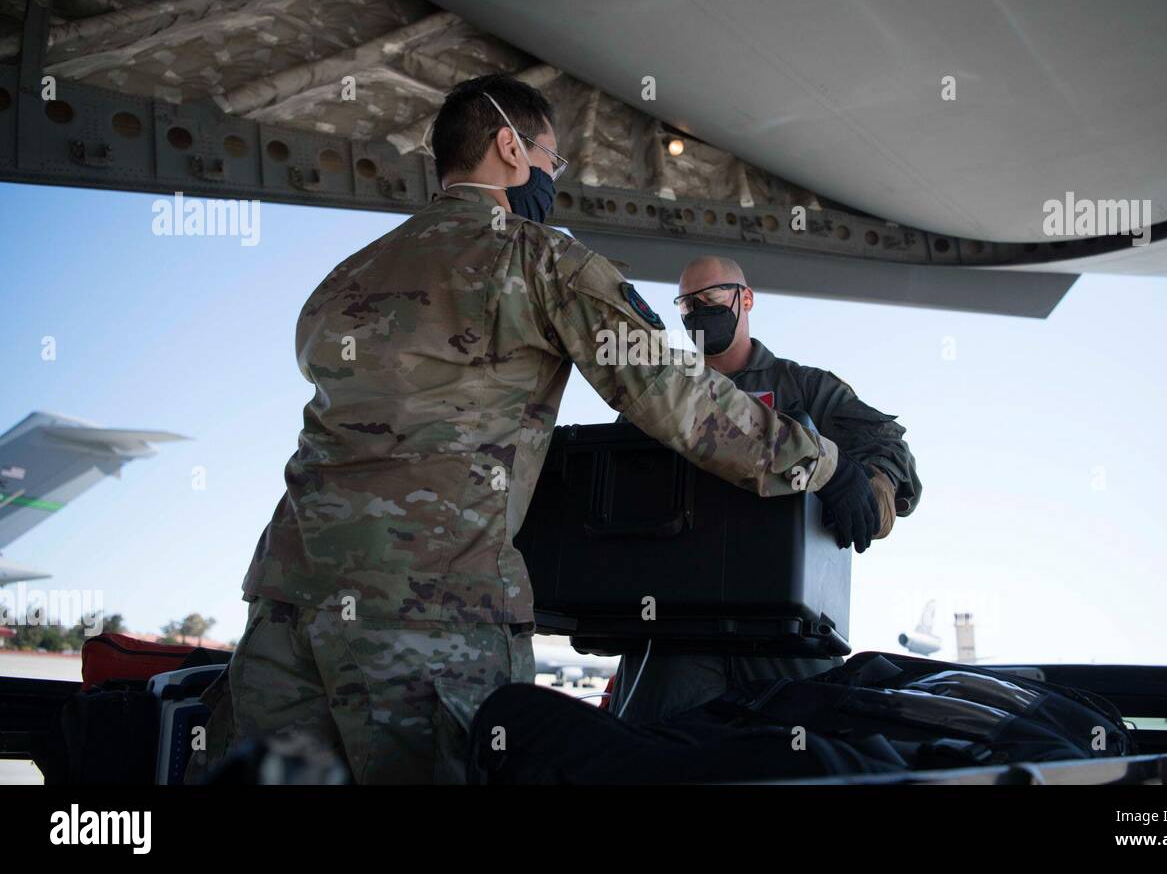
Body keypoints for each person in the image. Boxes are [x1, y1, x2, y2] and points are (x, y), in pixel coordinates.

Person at [190, 75, 880, 784]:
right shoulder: (540, 259)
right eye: (552, 160)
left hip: (286, 596)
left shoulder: (346, 277)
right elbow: (674, 394)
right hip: (428, 606)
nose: (553, 178)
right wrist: (820, 464)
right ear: (510, 148)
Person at [608, 255, 921, 723]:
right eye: (687, 305)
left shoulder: (804, 389)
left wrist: (873, 487)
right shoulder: (660, 393)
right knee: (645, 756)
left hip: (785, 626)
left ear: (746, 298)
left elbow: (886, 443)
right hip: (674, 628)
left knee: (811, 753)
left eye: (711, 299)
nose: (698, 313)